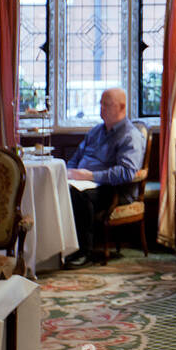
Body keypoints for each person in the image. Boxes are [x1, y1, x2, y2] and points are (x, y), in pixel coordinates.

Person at [63, 88, 143, 268]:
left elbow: (126, 172)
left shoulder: (130, 136)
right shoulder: (96, 131)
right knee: (59, 189)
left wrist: (91, 176)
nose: (101, 108)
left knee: (79, 197)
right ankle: (61, 247)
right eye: (101, 103)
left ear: (122, 107)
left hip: (113, 189)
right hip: (81, 182)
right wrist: (67, 172)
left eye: (106, 104)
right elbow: (76, 157)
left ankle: (84, 252)